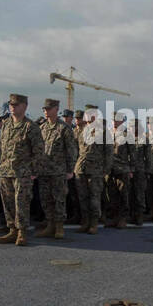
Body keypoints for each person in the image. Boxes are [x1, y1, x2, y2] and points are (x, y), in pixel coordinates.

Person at [0, 93, 44, 246]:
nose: (12, 107)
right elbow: (2, 147)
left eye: (16, 105)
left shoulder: (31, 127)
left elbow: (39, 151)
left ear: (24, 106)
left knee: (21, 202)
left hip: (23, 173)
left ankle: (22, 232)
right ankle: (12, 230)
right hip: (5, 171)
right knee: (8, 202)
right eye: (11, 104)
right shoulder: (7, 125)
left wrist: (33, 171)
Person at [36, 97, 78, 239]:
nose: (46, 112)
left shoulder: (64, 128)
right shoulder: (42, 128)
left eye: (49, 109)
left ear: (56, 110)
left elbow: (71, 151)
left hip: (59, 171)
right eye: (45, 109)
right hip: (44, 171)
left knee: (59, 199)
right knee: (45, 199)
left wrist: (70, 170)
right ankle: (50, 225)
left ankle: (59, 227)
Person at [73, 104, 112, 235]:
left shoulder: (104, 131)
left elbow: (109, 153)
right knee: (82, 197)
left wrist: (105, 170)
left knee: (94, 197)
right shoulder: (82, 130)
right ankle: (85, 222)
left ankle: (94, 223)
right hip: (81, 168)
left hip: (96, 170)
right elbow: (78, 150)